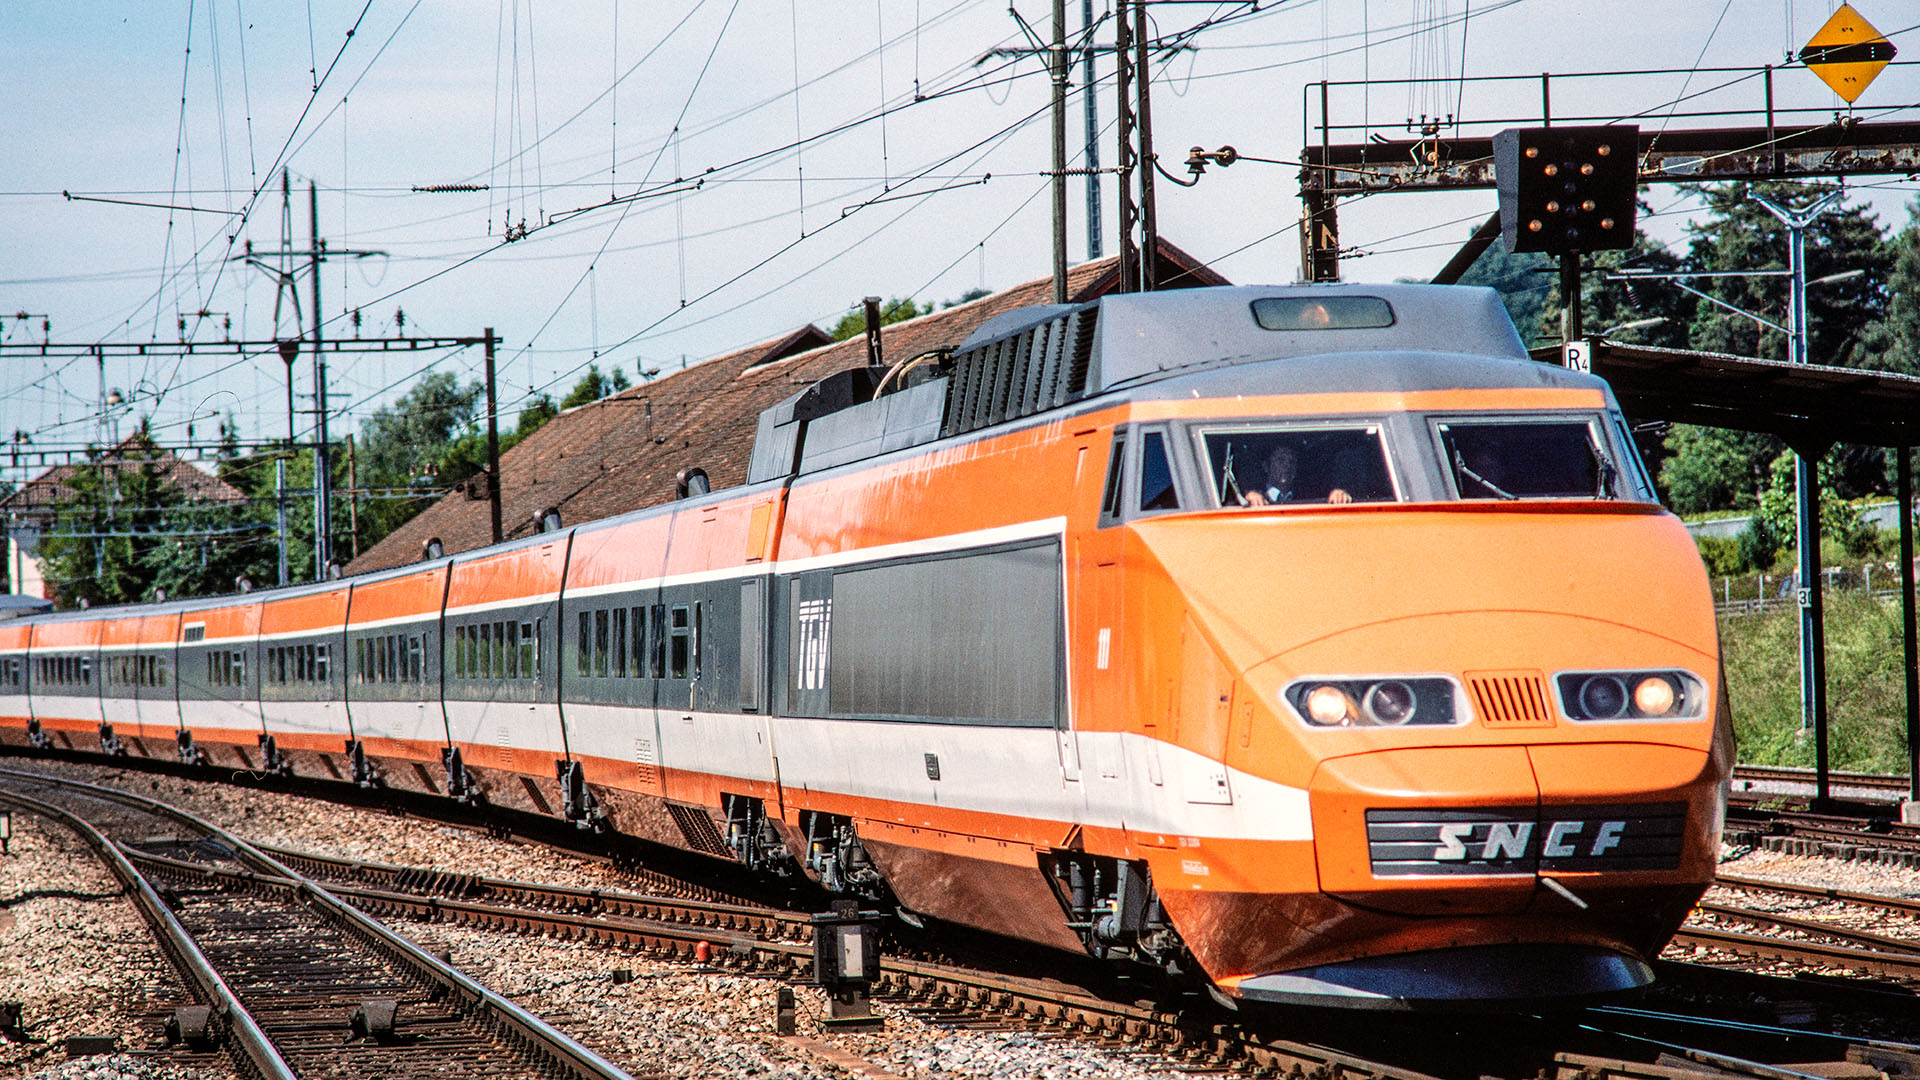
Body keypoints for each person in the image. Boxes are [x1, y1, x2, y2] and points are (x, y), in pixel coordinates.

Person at [1240, 443, 1351, 506]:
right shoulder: (1251, 496)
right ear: (1266, 466)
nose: (1287, 466)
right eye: (1281, 460)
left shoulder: (1308, 495)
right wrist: (1247, 501)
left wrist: (1339, 495)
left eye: (1292, 461)